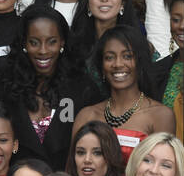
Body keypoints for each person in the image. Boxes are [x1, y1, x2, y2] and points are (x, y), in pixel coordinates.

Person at [0, 7, 97, 171]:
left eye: (51, 42)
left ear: (62, 42)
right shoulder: (6, 87)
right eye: (34, 42)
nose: (43, 51)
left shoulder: (82, 89)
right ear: (24, 43)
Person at [74, 25, 174, 165]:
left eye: (127, 56)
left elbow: (163, 171)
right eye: (109, 57)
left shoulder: (160, 115)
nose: (118, 64)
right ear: (101, 66)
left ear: (140, 62)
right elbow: (71, 175)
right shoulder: (86, 116)